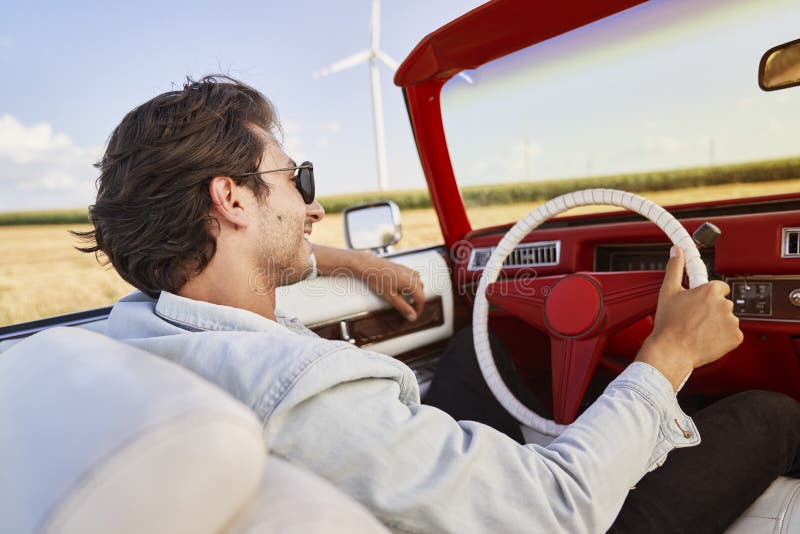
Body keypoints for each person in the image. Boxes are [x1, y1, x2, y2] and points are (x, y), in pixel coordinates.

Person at [76, 75, 799, 533]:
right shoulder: (304, 395)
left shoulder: (140, 326)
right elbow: (554, 510)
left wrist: (356, 260)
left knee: (475, 355)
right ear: (231, 199)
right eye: (298, 180)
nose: (315, 208)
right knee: (772, 413)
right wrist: (668, 354)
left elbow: (241, 263)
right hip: (553, 517)